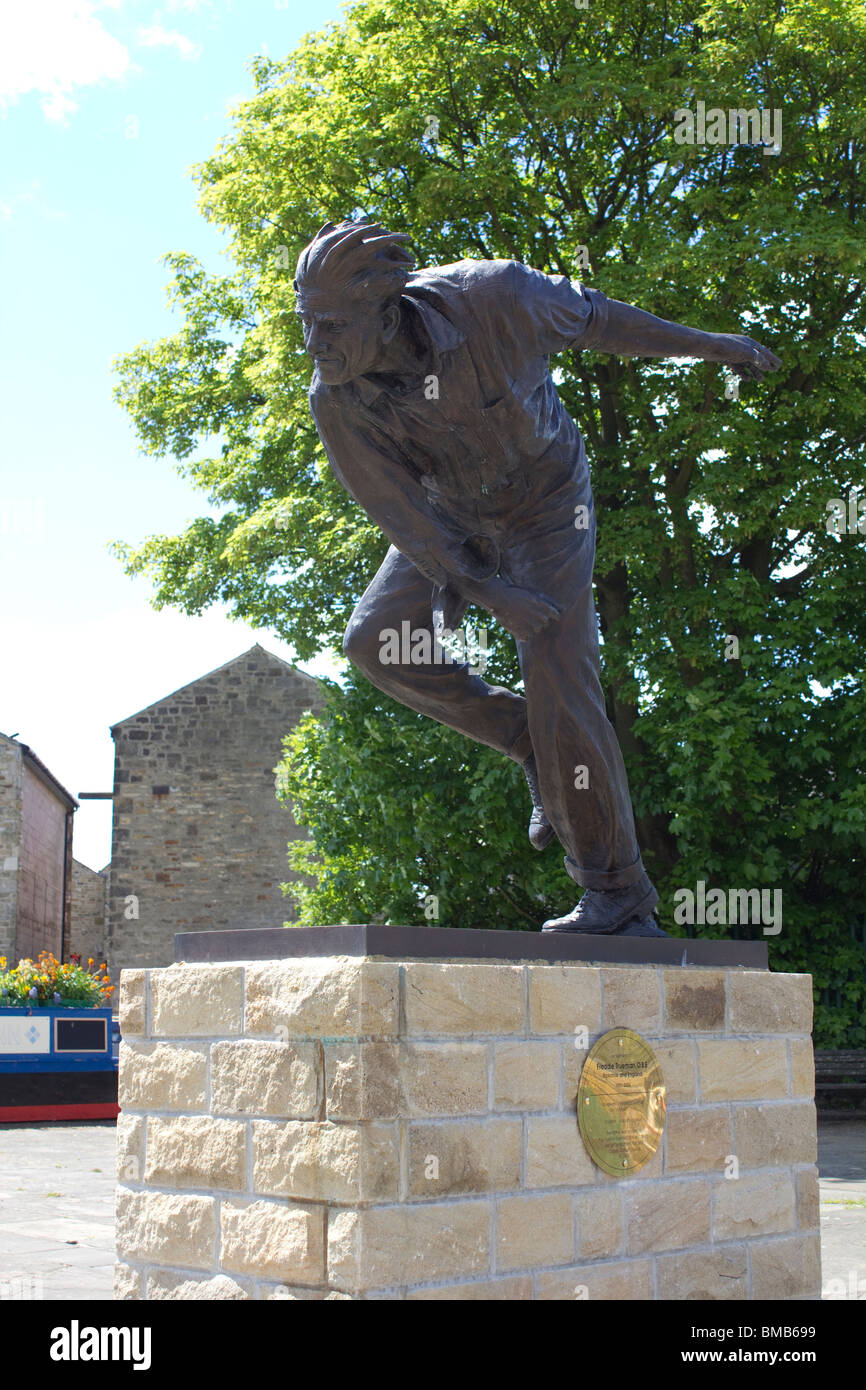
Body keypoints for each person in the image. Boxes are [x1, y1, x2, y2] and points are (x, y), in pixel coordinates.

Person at [296, 218, 781, 934]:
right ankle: (527, 738)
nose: (315, 346)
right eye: (307, 325)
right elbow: (402, 516)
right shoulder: (334, 397)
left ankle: (618, 894)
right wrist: (485, 589)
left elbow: (601, 320)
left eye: (332, 325)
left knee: (560, 671)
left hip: (547, 505)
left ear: (386, 309)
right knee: (374, 639)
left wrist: (712, 346)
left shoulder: (496, 297)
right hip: (449, 515)